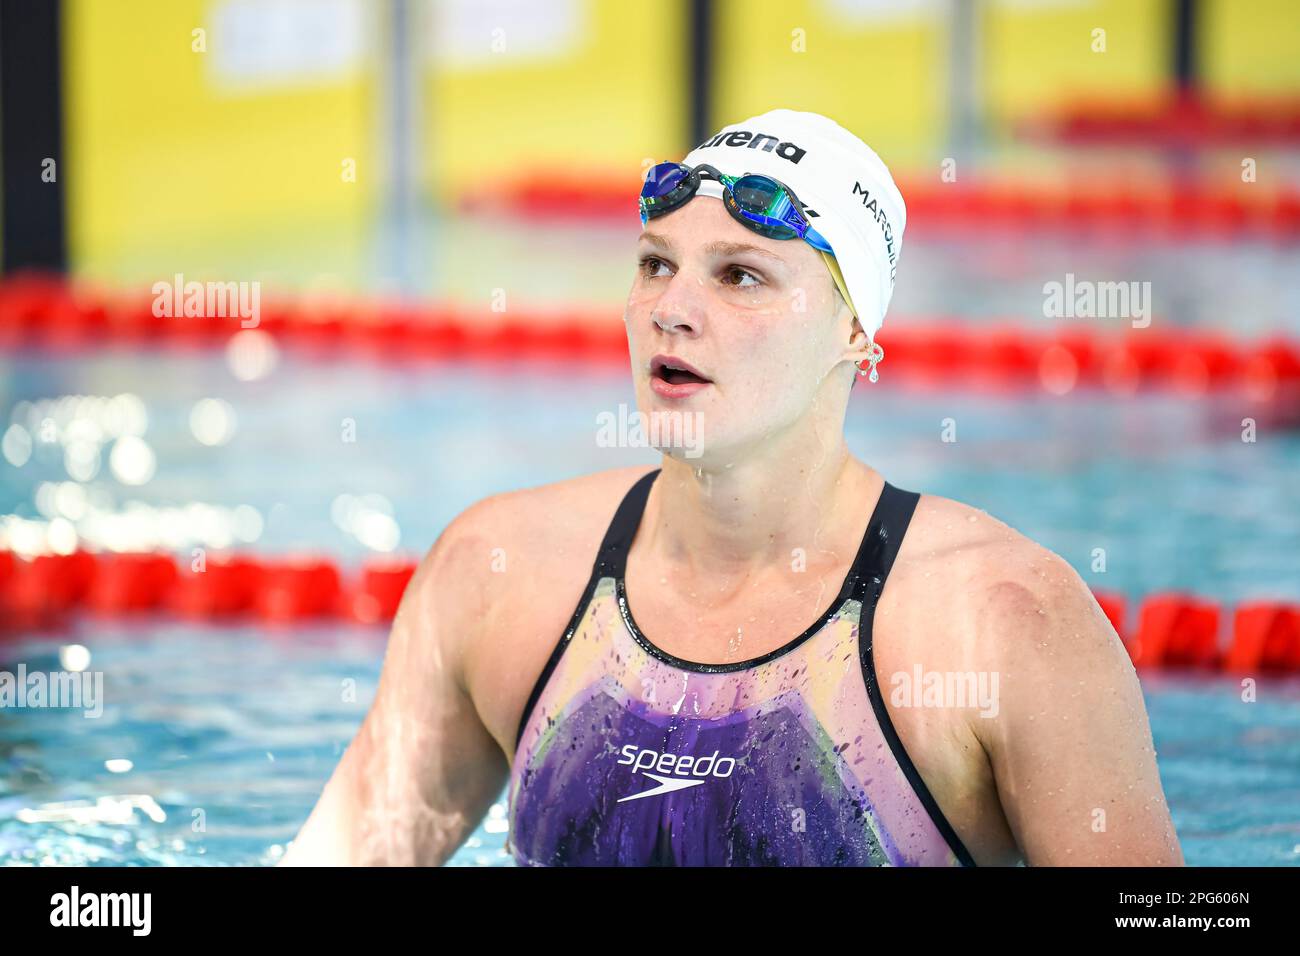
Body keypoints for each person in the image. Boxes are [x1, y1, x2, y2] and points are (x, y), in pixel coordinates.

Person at [281, 109, 1183, 866]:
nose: (672, 307)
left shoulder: (1005, 624)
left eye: (741, 275)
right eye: (654, 263)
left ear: (856, 332)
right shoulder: (498, 575)